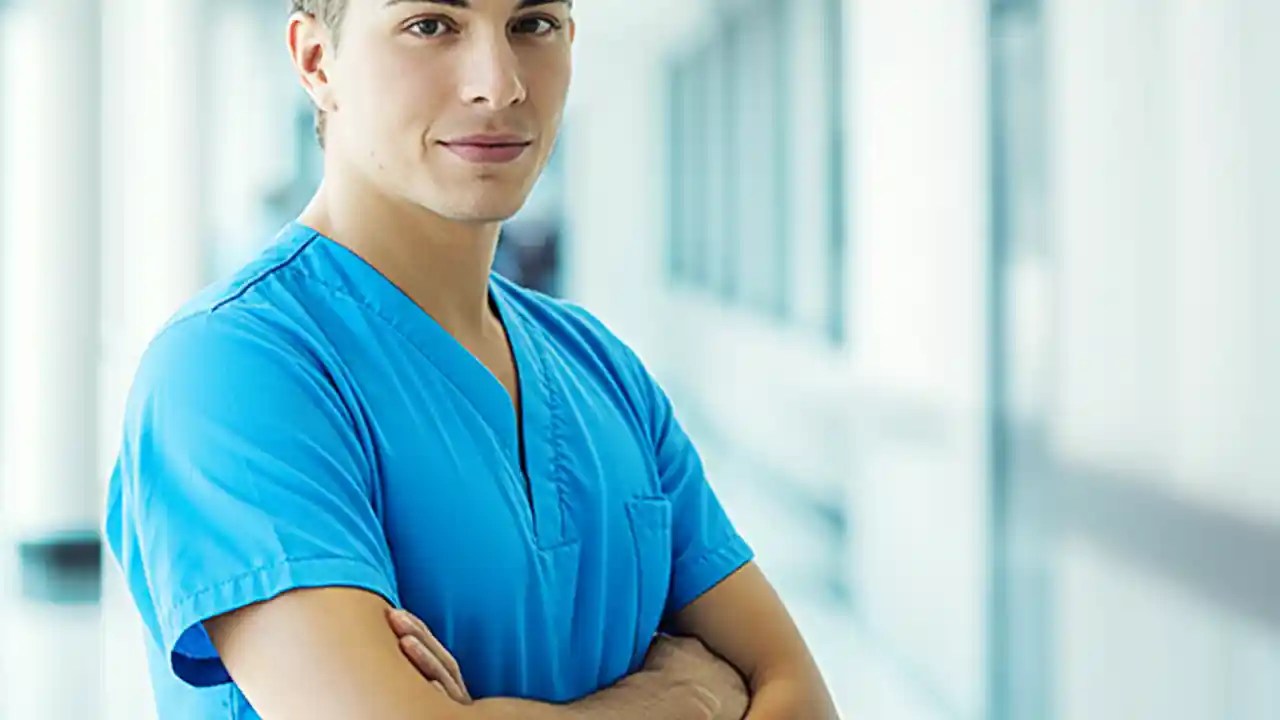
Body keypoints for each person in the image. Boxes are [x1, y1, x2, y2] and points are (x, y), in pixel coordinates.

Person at [103, 1, 839, 718]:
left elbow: (797, 691)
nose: (500, 82)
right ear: (316, 60)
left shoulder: (601, 369)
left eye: (533, 25)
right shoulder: (232, 371)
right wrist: (681, 699)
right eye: (431, 25)